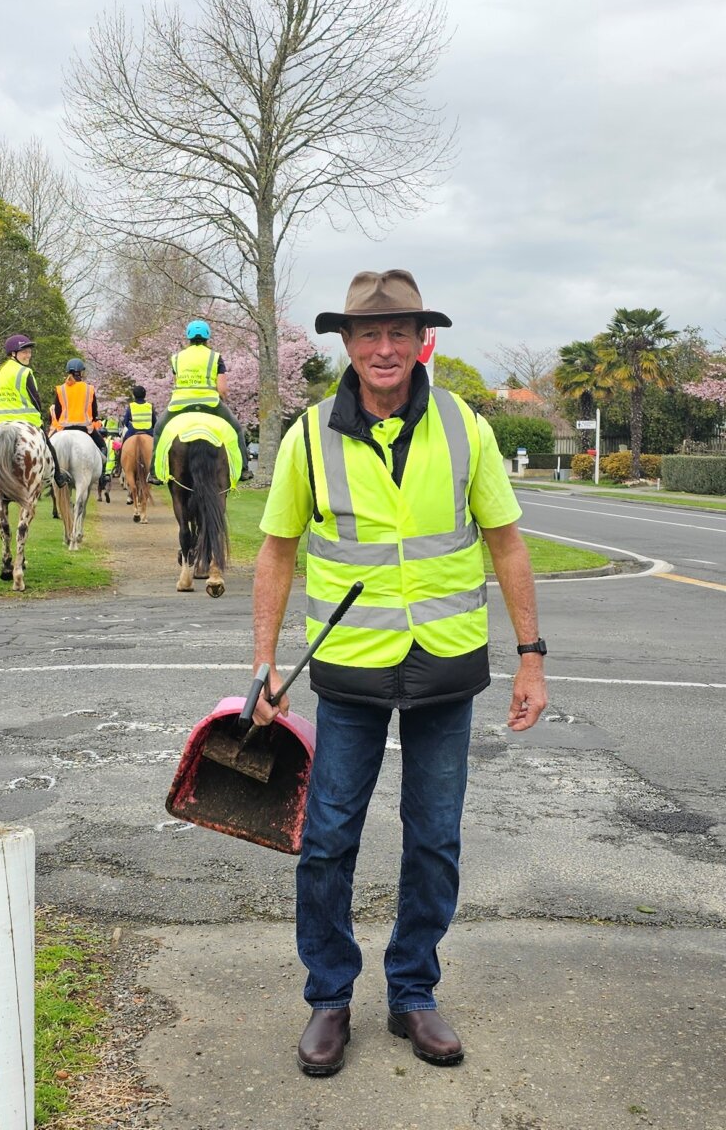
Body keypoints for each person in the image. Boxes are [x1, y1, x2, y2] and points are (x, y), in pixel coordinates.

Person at [250, 269, 548, 1077]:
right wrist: (265, 666)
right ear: (346, 344)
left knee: (435, 840)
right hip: (348, 672)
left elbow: (507, 541)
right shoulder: (308, 436)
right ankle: (329, 998)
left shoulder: (466, 427)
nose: (384, 348)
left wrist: (530, 655)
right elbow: (277, 552)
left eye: (399, 333)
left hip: (447, 668)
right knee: (327, 840)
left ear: (425, 342)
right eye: (368, 334)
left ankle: (414, 990)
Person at [0, 334, 71, 493]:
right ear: (13, 354)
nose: (28, 355)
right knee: (48, 444)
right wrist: (37, 413)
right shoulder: (25, 372)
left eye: (29, 351)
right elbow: (35, 399)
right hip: (26, 418)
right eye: (24, 352)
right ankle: (59, 477)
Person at [149, 319, 252, 483]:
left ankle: (154, 472)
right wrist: (224, 398)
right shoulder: (215, 357)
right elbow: (222, 388)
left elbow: (176, 382)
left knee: (159, 430)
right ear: (207, 337)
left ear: (188, 337)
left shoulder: (177, 358)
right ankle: (244, 470)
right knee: (237, 429)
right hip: (210, 404)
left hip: (179, 405)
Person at [52, 359, 110, 490]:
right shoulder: (89, 389)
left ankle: (49, 476)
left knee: (48, 448)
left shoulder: (61, 389)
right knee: (103, 446)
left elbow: (57, 411)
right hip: (85, 428)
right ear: (81, 373)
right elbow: (94, 412)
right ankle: (103, 476)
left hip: (64, 428)